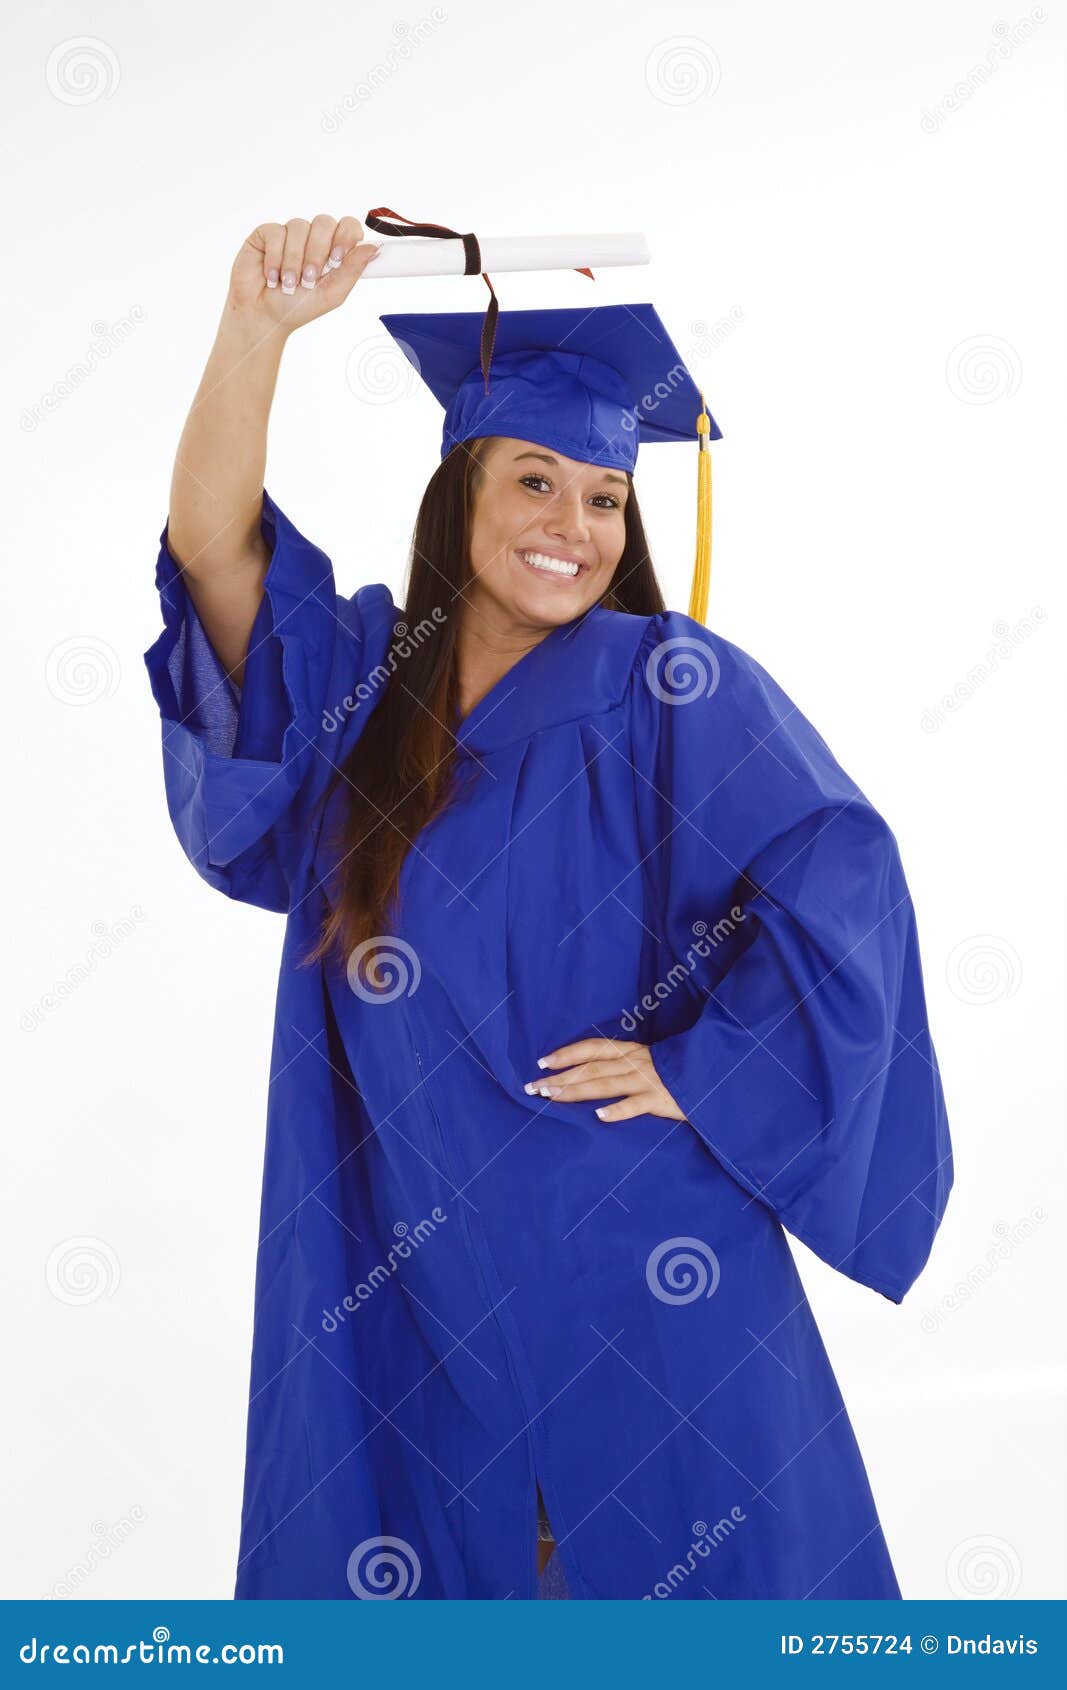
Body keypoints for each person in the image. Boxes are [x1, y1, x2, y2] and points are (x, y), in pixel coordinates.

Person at [144, 213, 953, 1600]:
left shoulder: (669, 689)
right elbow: (215, 552)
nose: (571, 528)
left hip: (642, 1258)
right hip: (400, 1262)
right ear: (463, 491)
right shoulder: (361, 685)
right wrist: (255, 332)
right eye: (535, 480)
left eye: (603, 497)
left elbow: (845, 874)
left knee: (676, 1597)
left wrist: (711, 1069)